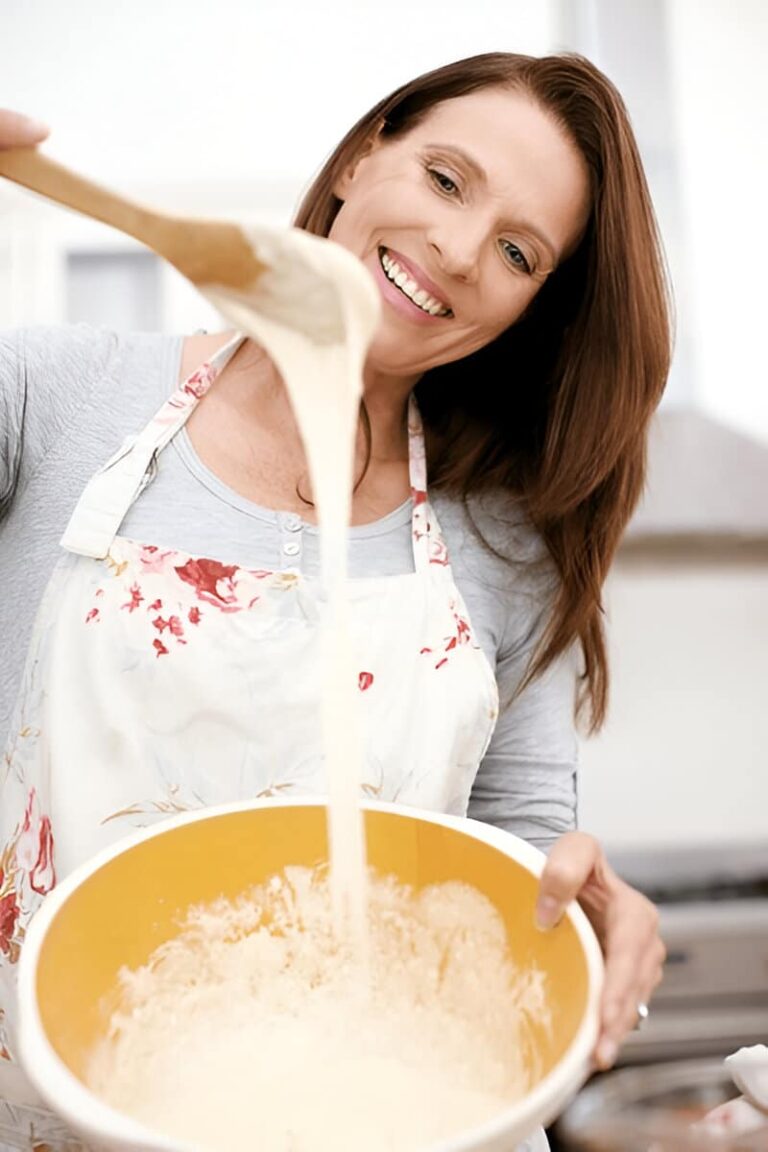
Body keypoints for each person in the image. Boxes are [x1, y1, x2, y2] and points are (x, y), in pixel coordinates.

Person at [0, 51, 666, 1140]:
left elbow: (521, 856)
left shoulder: (510, 542)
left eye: (516, 251)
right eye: (447, 180)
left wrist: (586, 909)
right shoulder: (53, 400)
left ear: (530, 308)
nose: (457, 250)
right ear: (366, 153)